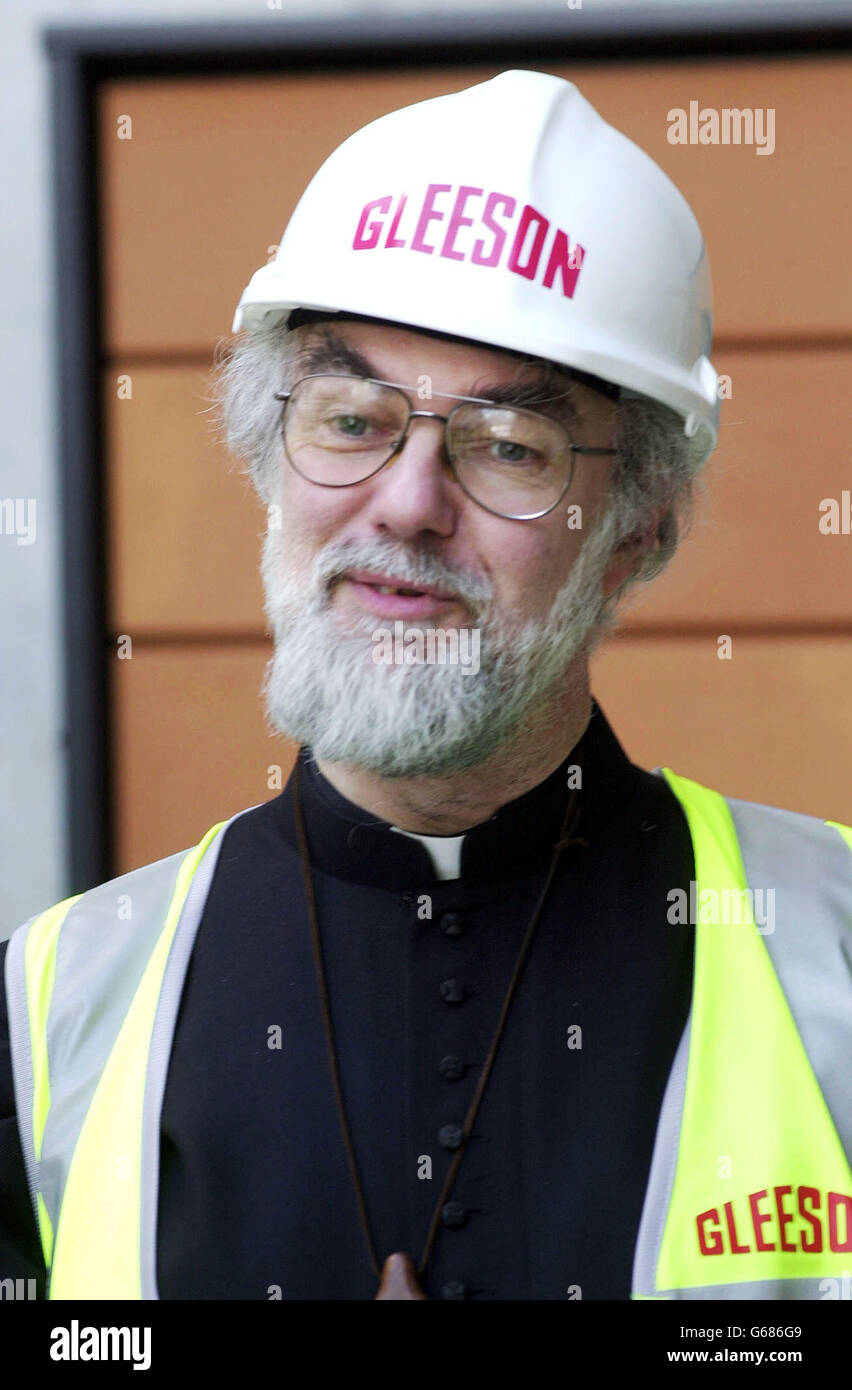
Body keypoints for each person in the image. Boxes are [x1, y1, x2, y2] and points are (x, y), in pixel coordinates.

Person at [2, 70, 851, 1303]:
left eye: (509, 446)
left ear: (636, 530)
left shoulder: (832, 953)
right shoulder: (47, 1004)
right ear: (268, 456)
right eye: (351, 419)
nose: (406, 502)